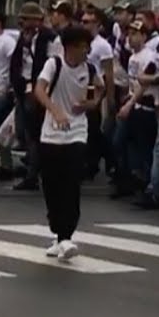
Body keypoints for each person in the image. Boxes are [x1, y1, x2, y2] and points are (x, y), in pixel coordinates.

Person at [32, 24, 103, 261]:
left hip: (77, 131)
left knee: (72, 183)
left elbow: (100, 89)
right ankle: (57, 231)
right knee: (52, 184)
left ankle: (66, 236)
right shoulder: (55, 64)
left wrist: (91, 104)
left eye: (88, 47)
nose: (86, 51)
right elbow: (39, 90)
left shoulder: (90, 69)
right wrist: (55, 110)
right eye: (82, 47)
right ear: (69, 47)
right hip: (51, 133)